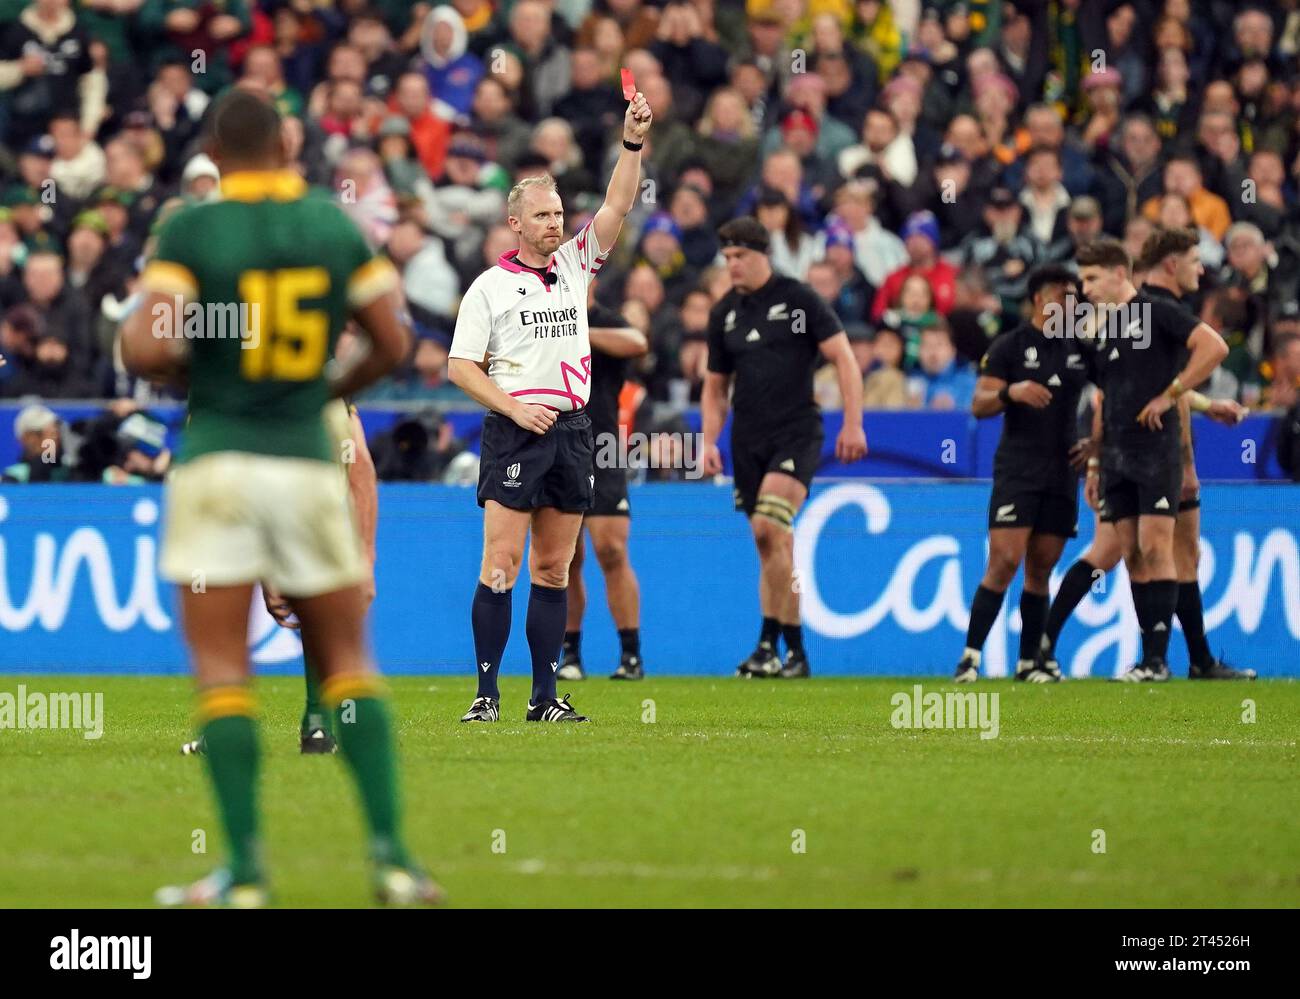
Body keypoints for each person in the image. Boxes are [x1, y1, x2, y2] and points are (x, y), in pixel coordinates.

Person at [121, 90, 439, 907]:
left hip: (220, 458)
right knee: (348, 662)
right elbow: (395, 341)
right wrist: (322, 385)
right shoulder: (330, 227)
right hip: (304, 457)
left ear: (218, 155)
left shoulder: (191, 229)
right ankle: (394, 861)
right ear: (286, 149)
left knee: (224, 668)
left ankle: (246, 873)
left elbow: (146, 343)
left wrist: (206, 372)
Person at [447, 88, 653, 723]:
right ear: (515, 223)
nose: (555, 223)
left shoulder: (574, 267)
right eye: (542, 216)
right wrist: (511, 408)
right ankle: (486, 696)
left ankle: (543, 699)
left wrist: (633, 142)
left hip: (572, 428)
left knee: (554, 567)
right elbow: (459, 367)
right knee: (500, 562)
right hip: (516, 430)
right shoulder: (489, 287)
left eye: (559, 213)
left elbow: (619, 202)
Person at [1041, 229, 1255, 680]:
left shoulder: (1153, 313)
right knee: (1136, 552)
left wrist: (1182, 398)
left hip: (1155, 452)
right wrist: (1099, 457)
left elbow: (1181, 371)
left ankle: (1163, 658)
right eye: (1194, 260)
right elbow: (1113, 394)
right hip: (1124, 453)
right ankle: (1166, 658)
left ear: (1121, 273)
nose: (1085, 290)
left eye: (1092, 279)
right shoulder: (1112, 324)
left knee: (1157, 550)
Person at [699, 216, 868, 679]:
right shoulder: (724, 314)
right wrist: (709, 440)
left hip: (795, 430)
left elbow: (844, 358)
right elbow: (714, 388)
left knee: (769, 526)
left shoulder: (799, 299)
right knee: (769, 540)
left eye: (740, 257)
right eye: (727, 257)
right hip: (746, 438)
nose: (732, 265)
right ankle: (793, 653)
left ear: (762, 255)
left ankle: (768, 644)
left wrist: (853, 424)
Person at [955, 266, 1093, 683]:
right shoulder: (1009, 347)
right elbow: (978, 405)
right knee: (1004, 559)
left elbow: (1111, 394)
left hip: (1063, 467)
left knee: (1041, 567)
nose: (1071, 305)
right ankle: (970, 657)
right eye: (1062, 296)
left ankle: (1029, 662)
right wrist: (1009, 392)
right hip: (1019, 466)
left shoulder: (1081, 347)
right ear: (1040, 298)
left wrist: (1096, 445)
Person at [559, 290, 649, 682]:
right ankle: (569, 655)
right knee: (563, 558)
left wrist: (579, 331)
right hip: (557, 445)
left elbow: (638, 343)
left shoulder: (606, 319)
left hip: (602, 447)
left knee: (611, 549)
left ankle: (630, 655)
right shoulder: (541, 315)